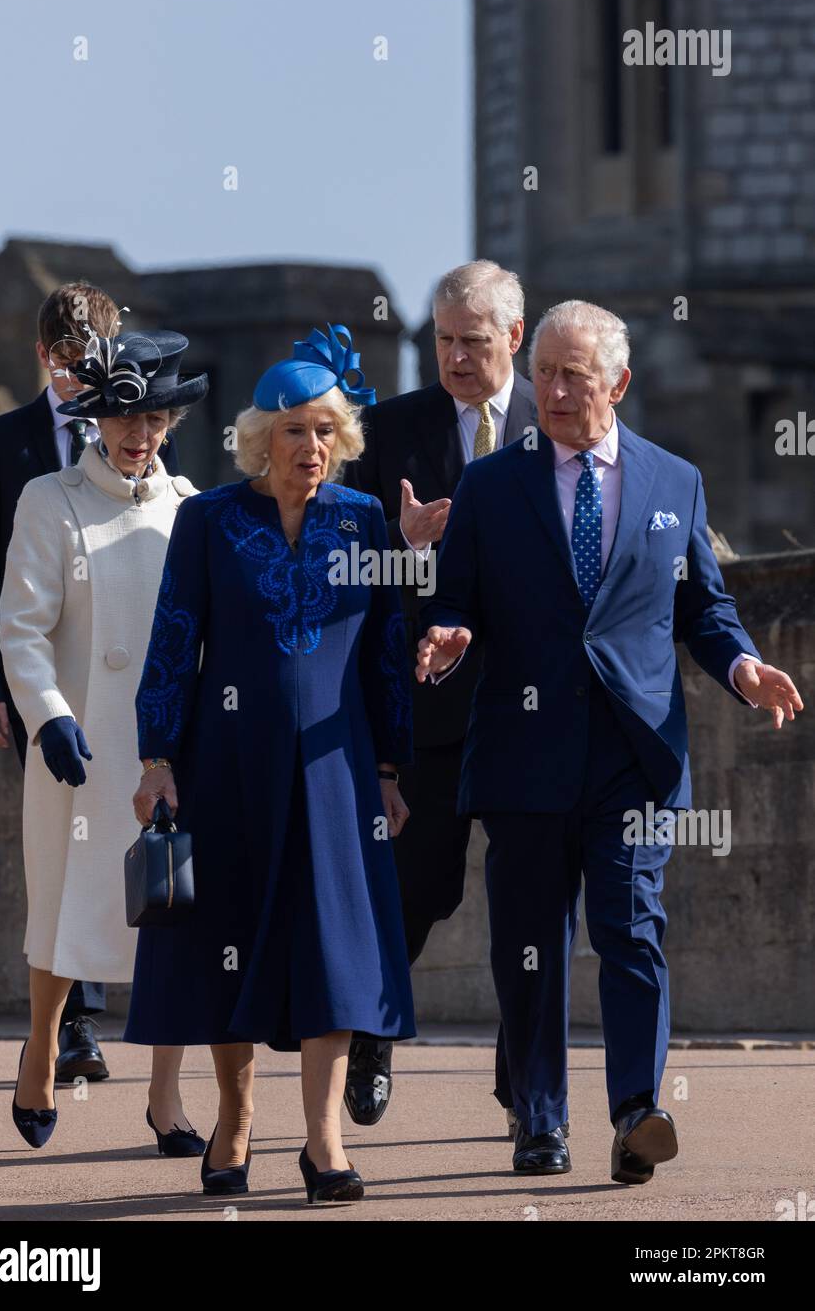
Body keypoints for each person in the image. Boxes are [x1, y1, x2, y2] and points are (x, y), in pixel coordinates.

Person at [417, 300, 802, 1183]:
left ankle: (636, 1109)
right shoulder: (491, 484)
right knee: (530, 944)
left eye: (573, 377)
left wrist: (743, 670)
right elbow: (456, 600)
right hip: (522, 753)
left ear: (618, 384)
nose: (550, 391)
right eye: (544, 371)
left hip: (633, 753)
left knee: (631, 929)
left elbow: (702, 607)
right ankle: (540, 1120)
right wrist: (447, 636)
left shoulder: (676, 482)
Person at [126, 324, 416, 1204]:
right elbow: (175, 638)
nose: (313, 446)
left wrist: (392, 770)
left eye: (327, 430)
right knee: (229, 939)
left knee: (335, 948)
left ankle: (324, 1141)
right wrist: (157, 757)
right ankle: (237, 1117)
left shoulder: (364, 520)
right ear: (260, 438)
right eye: (296, 431)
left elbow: (388, 652)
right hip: (228, 765)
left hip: (338, 767)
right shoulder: (208, 519)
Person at [0, 282, 182, 1084]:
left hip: (139, 713)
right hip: (47, 689)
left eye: (98, 362)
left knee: (149, 871)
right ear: (43, 356)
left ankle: (138, 1062)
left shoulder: (150, 442)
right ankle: (62, 1030)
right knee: (61, 860)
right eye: (70, 360)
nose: (85, 377)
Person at [0, 327, 208, 1154]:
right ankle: (41, 1052)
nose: (139, 433)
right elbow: (21, 629)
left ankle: (166, 1097)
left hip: (165, 752)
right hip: (76, 748)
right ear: (96, 418)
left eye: (154, 417)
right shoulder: (49, 500)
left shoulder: (193, 508)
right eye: (125, 415)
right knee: (62, 913)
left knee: (173, 919)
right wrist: (48, 715)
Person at [342, 260, 536, 1129]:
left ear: (515, 339)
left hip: (539, 708)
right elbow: (337, 566)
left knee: (531, 898)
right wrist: (402, 541)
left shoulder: (561, 416)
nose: (455, 357)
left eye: (474, 341)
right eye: (443, 340)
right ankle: (376, 1031)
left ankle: (526, 1083)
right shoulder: (387, 430)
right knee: (421, 889)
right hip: (428, 711)